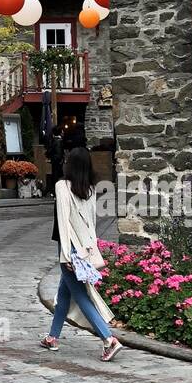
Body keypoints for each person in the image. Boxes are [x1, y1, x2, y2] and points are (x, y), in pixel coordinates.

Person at [41, 146, 123, 362]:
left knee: (80, 294)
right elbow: (91, 222)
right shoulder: (90, 188)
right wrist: (91, 247)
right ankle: (52, 337)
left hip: (70, 249)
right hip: (84, 247)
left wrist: (67, 255)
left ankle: (108, 339)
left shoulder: (62, 186)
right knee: (65, 293)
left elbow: (63, 221)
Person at [44, 126, 64, 197]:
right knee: (57, 177)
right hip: (57, 162)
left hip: (55, 161)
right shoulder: (58, 141)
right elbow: (58, 153)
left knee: (55, 176)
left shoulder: (54, 141)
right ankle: (56, 192)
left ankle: (55, 191)